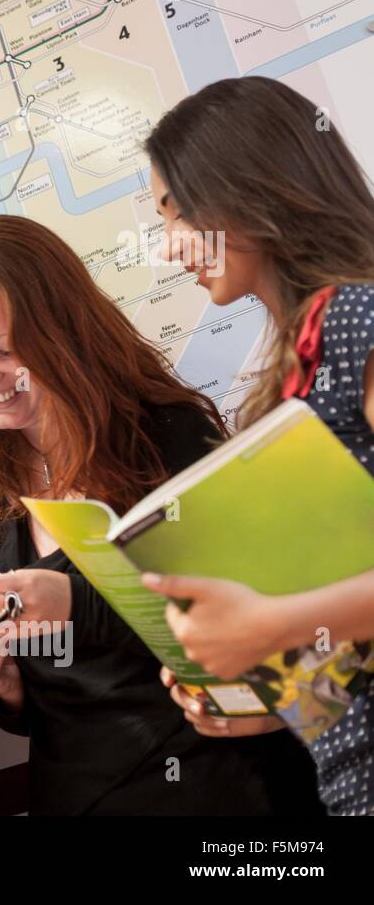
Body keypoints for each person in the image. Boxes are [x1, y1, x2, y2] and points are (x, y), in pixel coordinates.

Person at [0, 214, 323, 815]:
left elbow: (251, 629)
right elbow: (45, 712)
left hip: (224, 796)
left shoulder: (167, 438)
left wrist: (73, 603)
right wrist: (8, 687)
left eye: (6, 351)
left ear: (61, 330)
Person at [141, 75, 374, 815]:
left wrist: (268, 626)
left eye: (177, 212)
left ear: (245, 188)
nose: (174, 248)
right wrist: (261, 701)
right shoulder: (291, 369)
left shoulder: (357, 320)